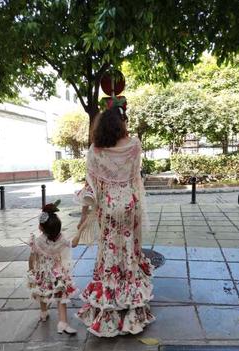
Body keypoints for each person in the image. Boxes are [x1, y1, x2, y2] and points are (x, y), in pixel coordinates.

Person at [75, 106, 155, 337]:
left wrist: (82, 222)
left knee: (109, 253)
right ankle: (132, 308)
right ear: (121, 124)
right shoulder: (134, 145)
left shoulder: (95, 151)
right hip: (130, 206)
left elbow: (90, 188)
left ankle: (108, 308)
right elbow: (135, 179)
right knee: (129, 252)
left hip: (108, 208)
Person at [27, 200, 85, 335]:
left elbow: (32, 257)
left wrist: (31, 269)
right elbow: (73, 244)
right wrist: (80, 230)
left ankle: (44, 312)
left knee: (42, 292)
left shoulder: (37, 241)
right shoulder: (61, 239)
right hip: (57, 272)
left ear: (41, 228)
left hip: (42, 272)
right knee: (61, 295)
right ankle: (62, 322)